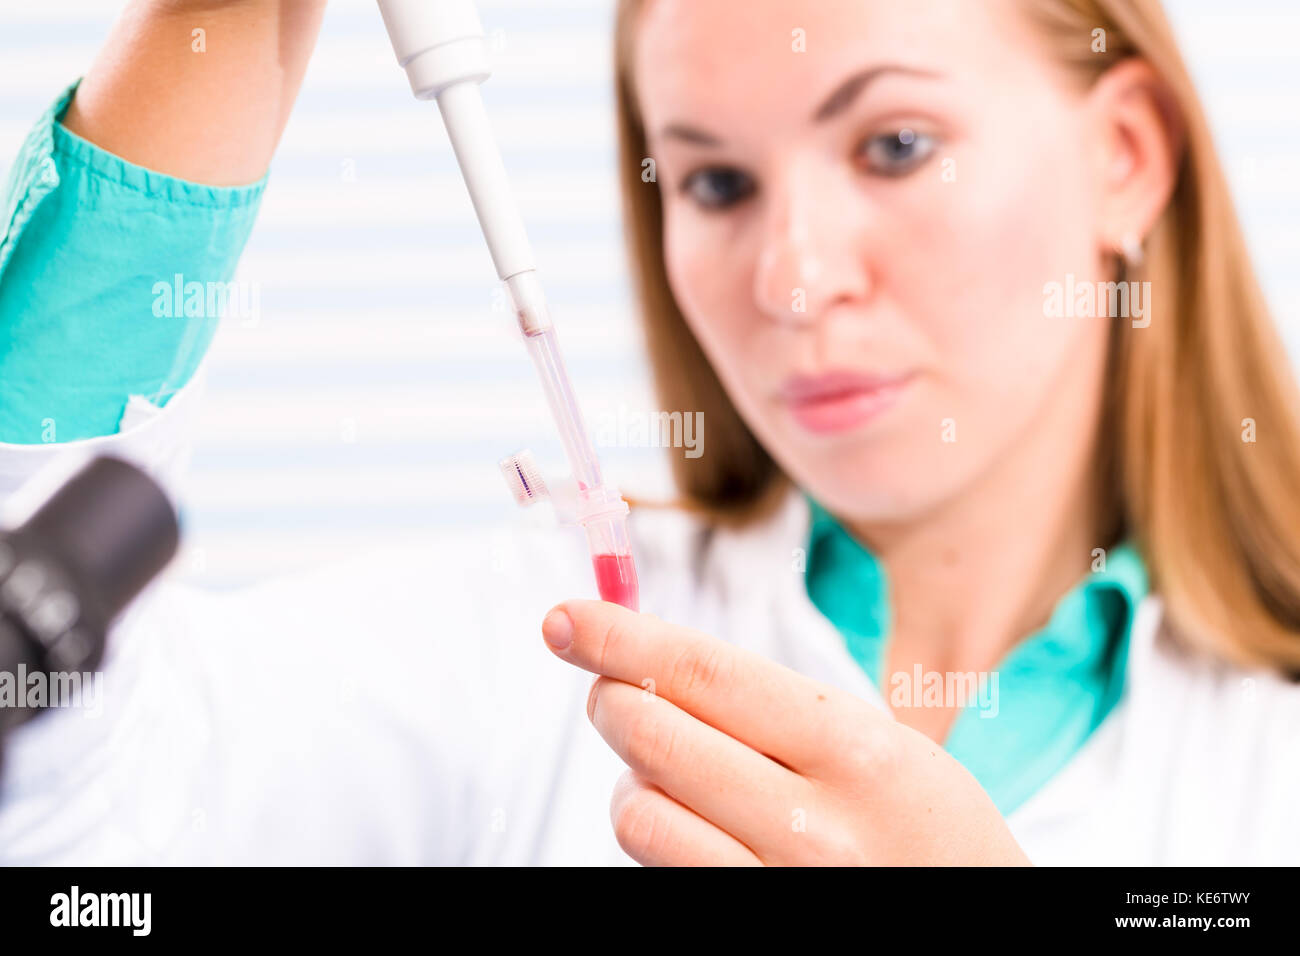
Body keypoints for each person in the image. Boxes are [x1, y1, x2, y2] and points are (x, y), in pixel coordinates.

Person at [1, 0, 1298, 865]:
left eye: (896, 145)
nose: (792, 279)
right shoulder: (531, 650)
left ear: (1125, 154)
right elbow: (76, 803)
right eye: (717, 182)